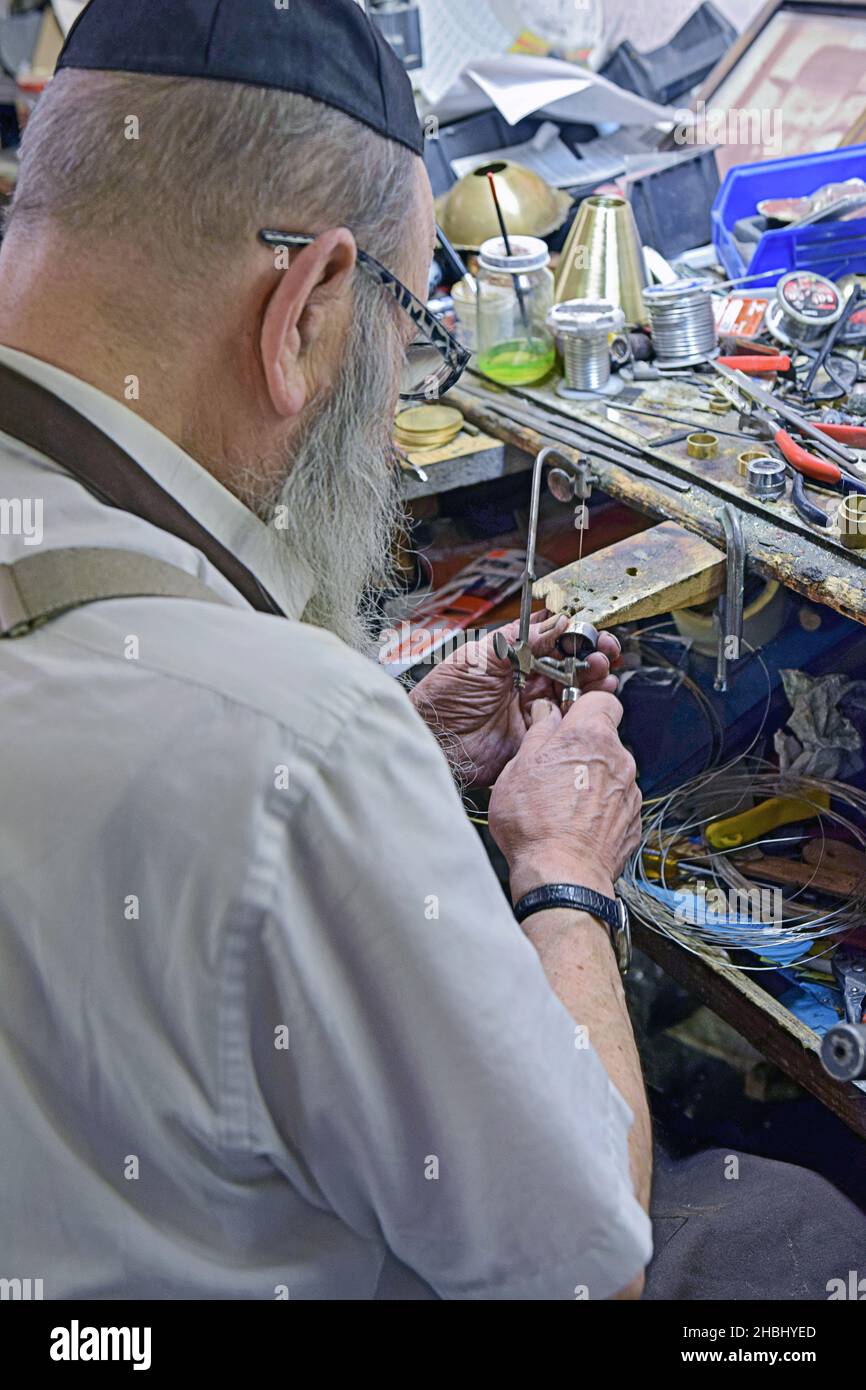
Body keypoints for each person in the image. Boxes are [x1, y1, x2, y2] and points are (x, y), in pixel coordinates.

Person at [0, 0, 651, 1299]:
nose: (401, 374)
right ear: (305, 307)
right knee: (789, 1221)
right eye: (409, 316)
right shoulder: (292, 745)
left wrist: (389, 745)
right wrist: (562, 871)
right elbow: (582, 1265)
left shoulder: (272, 739)